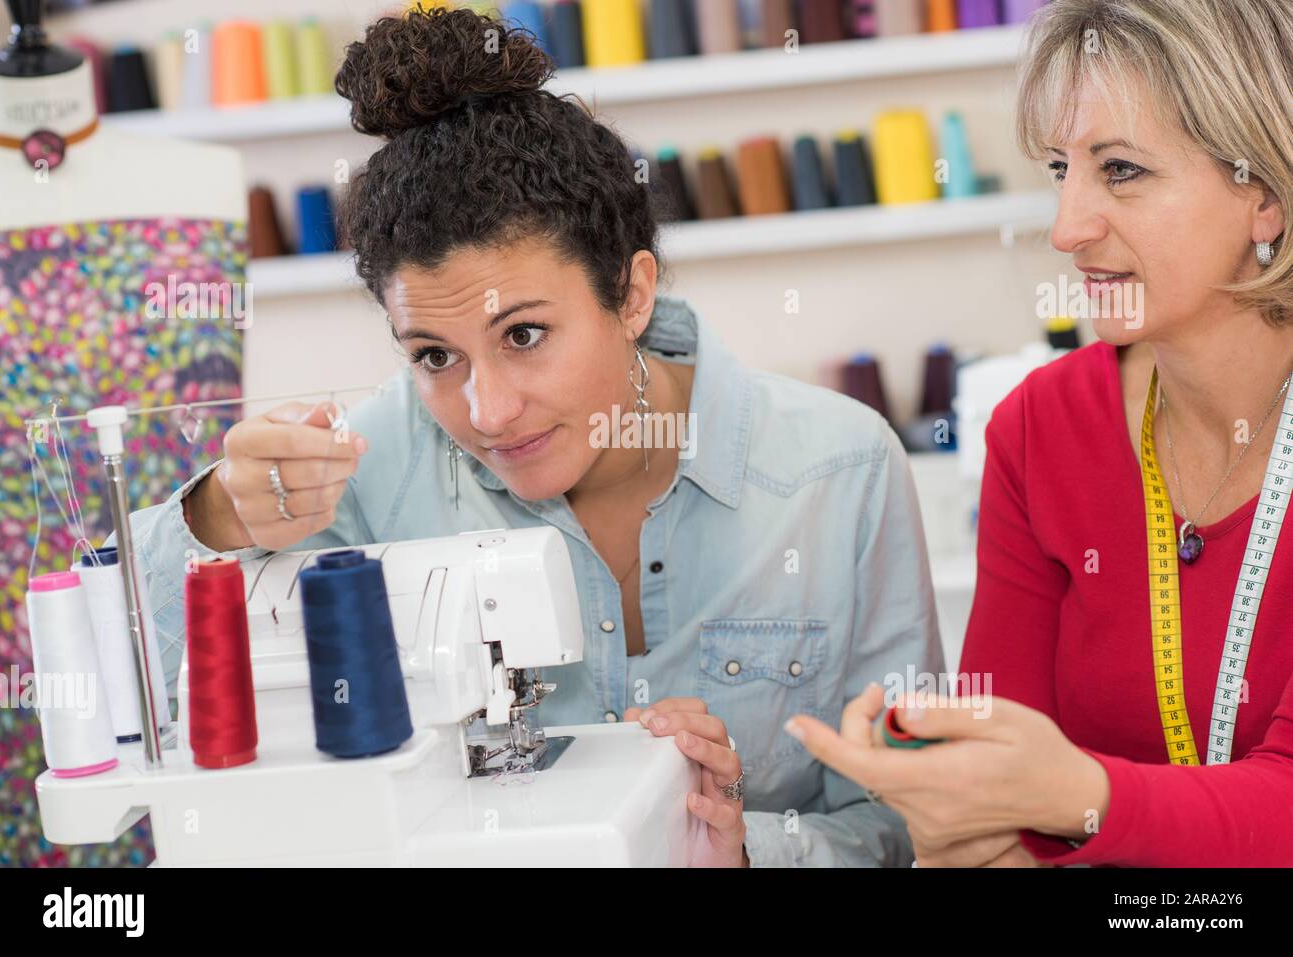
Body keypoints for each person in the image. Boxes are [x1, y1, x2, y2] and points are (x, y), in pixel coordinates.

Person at [128, 7, 942, 867]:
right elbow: (152, 683)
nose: (487, 411)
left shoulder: (839, 471)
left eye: (523, 335)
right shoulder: (369, 471)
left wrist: (748, 853)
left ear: (632, 295)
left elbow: (905, 823)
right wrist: (219, 512)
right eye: (435, 355)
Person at [789, 0, 1293, 867]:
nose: (1067, 228)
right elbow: (1001, 770)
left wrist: (1074, 797)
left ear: (1266, 198)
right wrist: (944, 785)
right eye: (1062, 169)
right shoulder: (1042, 429)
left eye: (1123, 170)